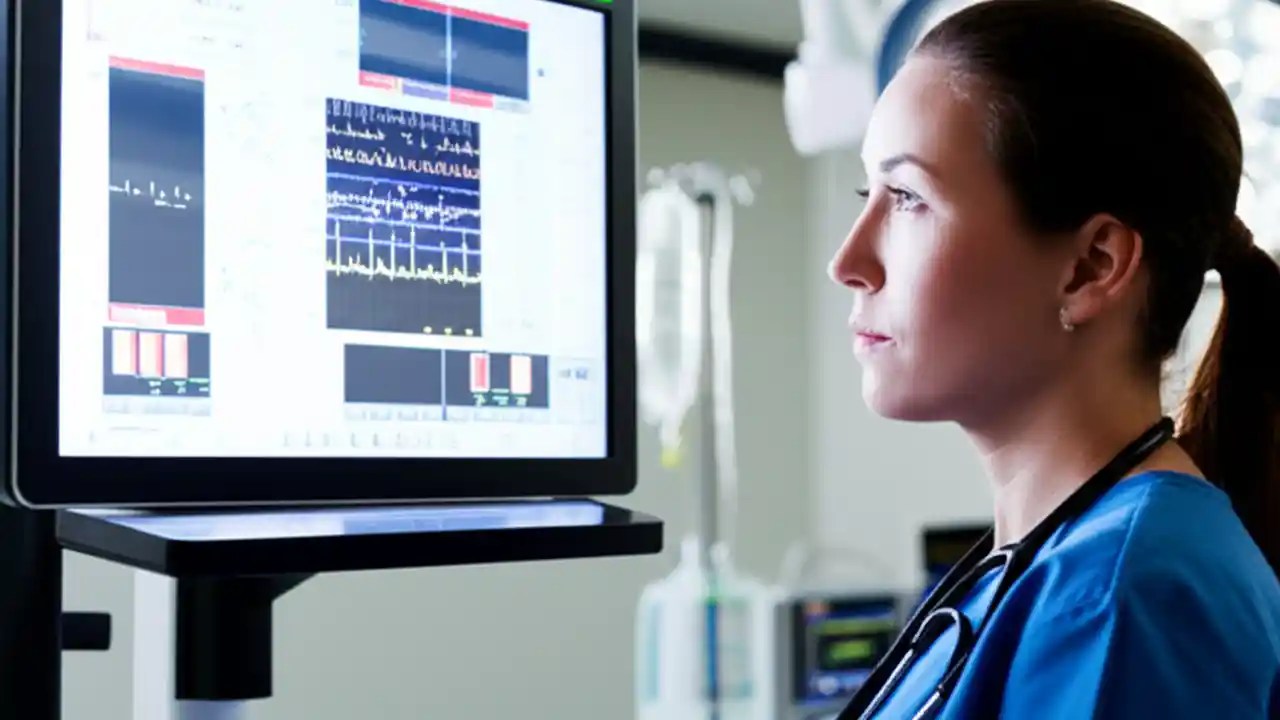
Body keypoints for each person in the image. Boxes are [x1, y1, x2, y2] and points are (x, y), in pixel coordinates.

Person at [825, 0, 1280, 717]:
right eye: (867, 191)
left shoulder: (1125, 595)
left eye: (908, 197)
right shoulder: (1054, 570)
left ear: (1092, 266)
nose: (848, 262)